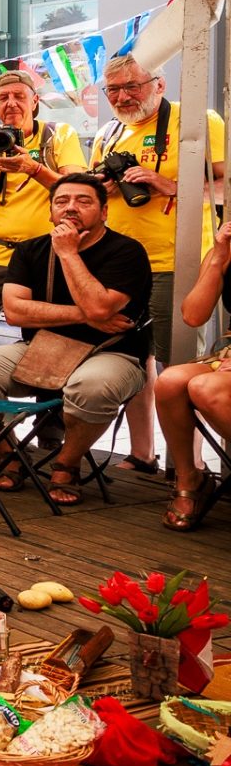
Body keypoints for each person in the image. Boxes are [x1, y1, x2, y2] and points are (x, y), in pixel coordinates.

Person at [0, 174, 152, 506]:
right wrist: (85, 316)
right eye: (62, 201)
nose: (71, 208)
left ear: (104, 211)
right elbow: (16, 311)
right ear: (50, 212)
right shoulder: (30, 250)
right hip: (41, 349)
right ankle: (10, 454)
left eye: (83, 201)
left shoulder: (127, 251)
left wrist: (69, 253)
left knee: (91, 388)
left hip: (112, 353)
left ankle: (67, 464)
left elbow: (101, 305)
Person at [92, 53, 227, 474]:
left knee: (177, 362)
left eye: (133, 86)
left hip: (177, 260)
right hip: (121, 266)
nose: (123, 96)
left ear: (160, 84)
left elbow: (224, 185)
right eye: (113, 89)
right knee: (134, 361)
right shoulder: (107, 134)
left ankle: (188, 465)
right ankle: (143, 452)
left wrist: (168, 185)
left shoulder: (199, 121)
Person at [0, 70, 87, 347]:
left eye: (19, 96)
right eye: (3, 97)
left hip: (44, 252)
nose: (11, 103)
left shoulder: (57, 135)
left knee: (48, 337)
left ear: (35, 100)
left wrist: (34, 169)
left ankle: (46, 390)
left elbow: (76, 190)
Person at [154, 215, 231, 530]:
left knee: (205, 388)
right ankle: (192, 479)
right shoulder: (224, 249)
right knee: (170, 381)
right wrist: (219, 259)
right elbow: (193, 315)